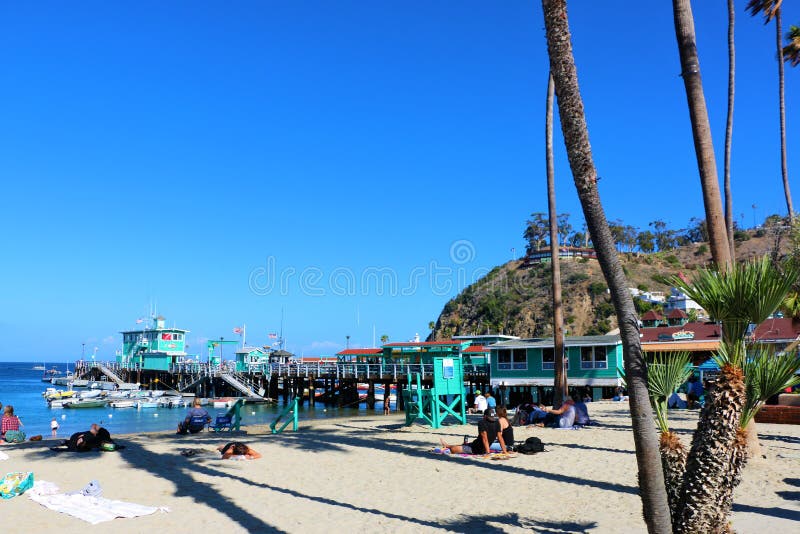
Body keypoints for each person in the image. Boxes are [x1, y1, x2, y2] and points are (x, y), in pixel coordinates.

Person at [439, 407, 508, 455]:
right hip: (478, 445)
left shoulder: (482, 422)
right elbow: (500, 438)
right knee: (464, 445)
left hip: (476, 449)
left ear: (484, 416)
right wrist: (505, 451)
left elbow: (485, 439)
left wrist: (487, 453)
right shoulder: (496, 423)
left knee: (454, 449)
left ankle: (448, 446)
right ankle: (447, 445)